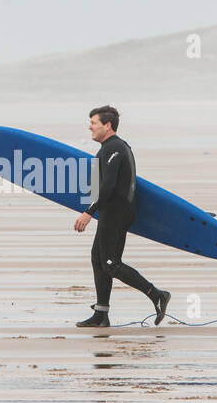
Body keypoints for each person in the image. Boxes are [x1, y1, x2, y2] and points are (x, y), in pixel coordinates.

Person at [73, 105, 170, 327]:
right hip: (112, 211)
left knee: (111, 263)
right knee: (98, 259)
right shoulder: (110, 148)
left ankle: (157, 295)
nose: (90, 127)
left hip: (117, 212)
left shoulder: (114, 148)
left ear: (107, 125)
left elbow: (108, 186)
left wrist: (88, 212)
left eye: (94, 123)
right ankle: (101, 313)